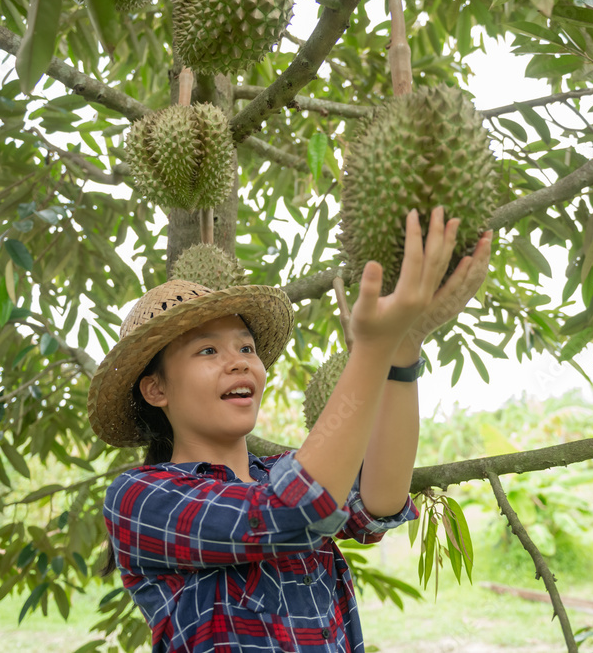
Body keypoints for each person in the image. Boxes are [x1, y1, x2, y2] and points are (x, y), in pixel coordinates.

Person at [88, 206, 493, 652]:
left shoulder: (280, 470)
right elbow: (294, 507)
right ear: (156, 389)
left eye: (246, 346)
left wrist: (404, 348)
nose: (239, 360)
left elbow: (380, 500)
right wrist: (372, 350)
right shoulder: (139, 498)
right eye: (207, 350)